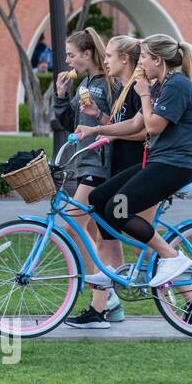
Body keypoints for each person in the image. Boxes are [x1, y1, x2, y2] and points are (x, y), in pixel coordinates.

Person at [85, 34, 192, 326]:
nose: (140, 62)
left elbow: (152, 127)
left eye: (143, 57)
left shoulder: (177, 85)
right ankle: (114, 271)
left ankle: (170, 256)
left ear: (157, 60)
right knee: (99, 199)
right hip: (159, 161)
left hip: (176, 165)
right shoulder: (160, 86)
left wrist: (143, 93)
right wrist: (95, 130)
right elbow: (136, 124)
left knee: (119, 208)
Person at [65, 35, 148, 328]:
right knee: (106, 238)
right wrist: (97, 119)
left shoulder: (138, 89)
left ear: (126, 59)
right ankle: (103, 307)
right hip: (118, 171)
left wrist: (104, 131)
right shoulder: (124, 90)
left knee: (143, 241)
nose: (106, 59)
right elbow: (118, 126)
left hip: (137, 170)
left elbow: (145, 130)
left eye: (110, 55)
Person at [50, 28, 126, 327]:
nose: (67, 60)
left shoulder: (110, 85)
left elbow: (121, 126)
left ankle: (103, 291)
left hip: (99, 166)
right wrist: (60, 96)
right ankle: (110, 303)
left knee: (71, 223)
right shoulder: (85, 83)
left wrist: (96, 117)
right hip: (83, 163)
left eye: (71, 54)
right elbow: (70, 123)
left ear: (87, 54)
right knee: (92, 235)